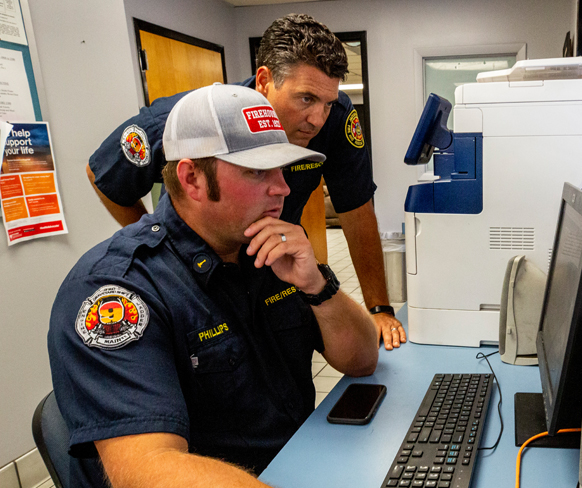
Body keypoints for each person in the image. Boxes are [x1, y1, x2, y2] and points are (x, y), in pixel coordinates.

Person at [49, 85, 468, 488]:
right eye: (256, 172)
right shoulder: (117, 290)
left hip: (285, 486)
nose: (283, 189)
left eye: (284, 170)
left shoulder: (264, 247)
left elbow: (363, 360)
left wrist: (316, 286)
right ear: (191, 178)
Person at [87, 13, 406, 350]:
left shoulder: (335, 118)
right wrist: (163, 251)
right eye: (306, 99)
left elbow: (356, 208)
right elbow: (104, 173)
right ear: (264, 80)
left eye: (326, 103)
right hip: (196, 276)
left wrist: (379, 308)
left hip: (270, 264)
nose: (317, 119)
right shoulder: (193, 119)